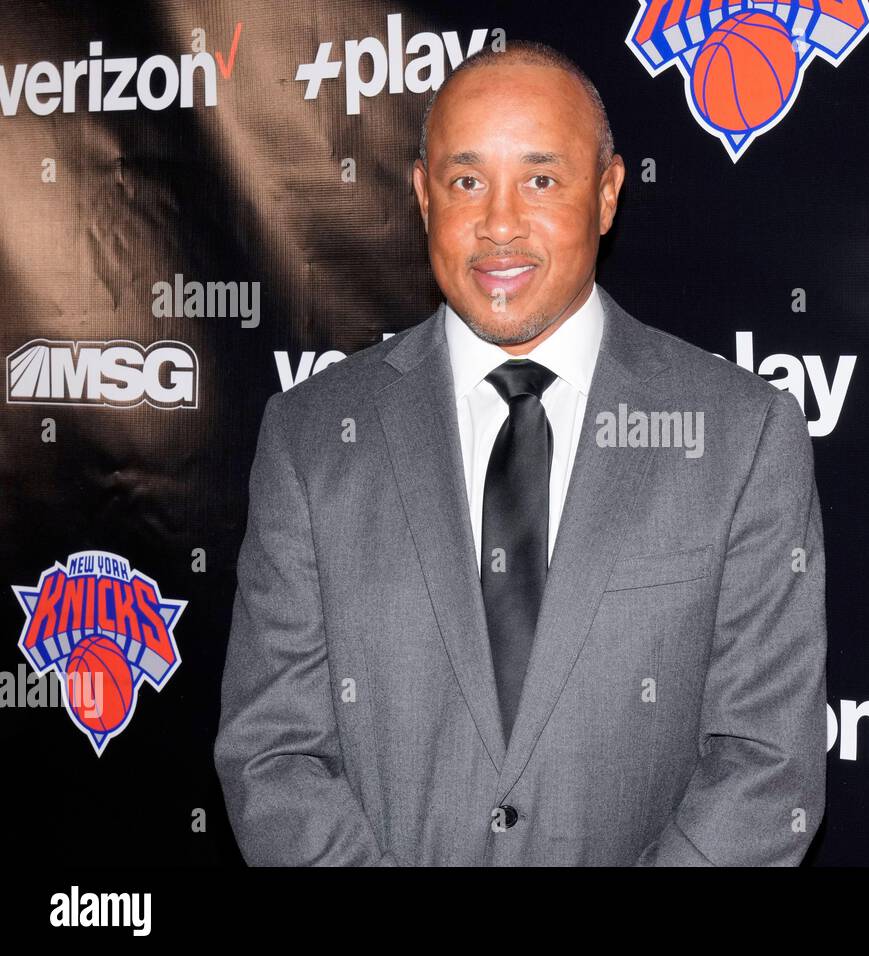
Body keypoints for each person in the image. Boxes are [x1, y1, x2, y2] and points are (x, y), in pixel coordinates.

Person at [214, 39, 827, 865]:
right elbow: (272, 754)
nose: (499, 226)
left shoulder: (742, 435)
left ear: (607, 195)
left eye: (541, 180)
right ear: (424, 198)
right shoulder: (312, 436)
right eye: (467, 182)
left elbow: (767, 765)